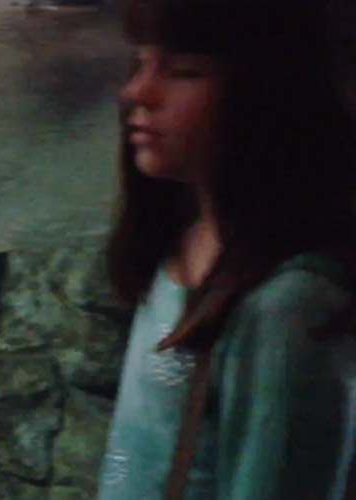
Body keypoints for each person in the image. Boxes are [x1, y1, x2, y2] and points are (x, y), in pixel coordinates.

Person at [97, 0, 356, 499]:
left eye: (184, 72)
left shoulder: (290, 305)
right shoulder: (184, 244)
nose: (137, 92)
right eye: (141, 62)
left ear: (270, 94)